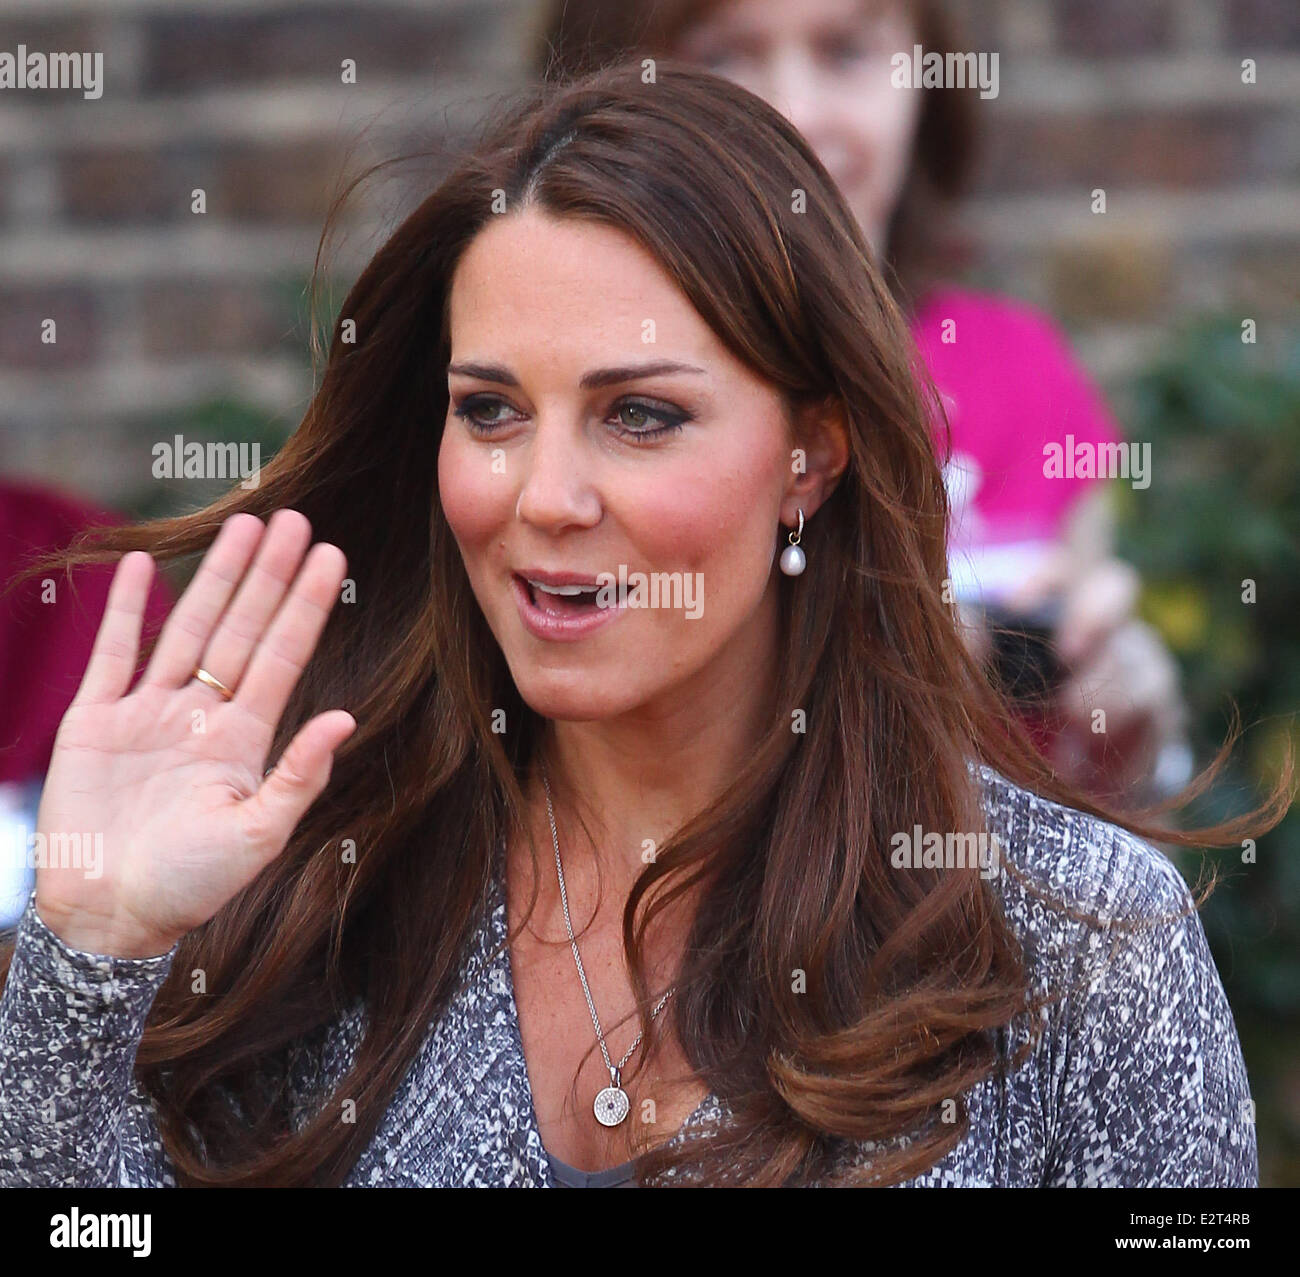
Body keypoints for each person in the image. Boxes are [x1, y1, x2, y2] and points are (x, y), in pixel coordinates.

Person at [0, 63, 1283, 1188]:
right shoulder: (306, 895)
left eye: (640, 415)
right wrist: (90, 955)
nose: (544, 498)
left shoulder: (1075, 940)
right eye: (491, 411)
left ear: (811, 453)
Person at [533, 0, 1191, 803]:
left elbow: (1093, 755)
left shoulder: (1023, 371)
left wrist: (1130, 742)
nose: (795, 113)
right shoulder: (555, 374)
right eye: (724, 58)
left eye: (845, 52)